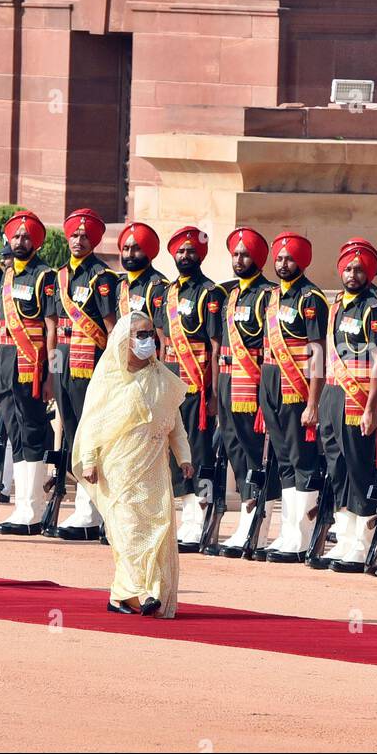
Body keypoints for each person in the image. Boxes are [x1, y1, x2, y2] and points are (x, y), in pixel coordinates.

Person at [74, 312, 193, 617]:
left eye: (150, 334)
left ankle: (131, 594)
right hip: (119, 468)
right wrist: (88, 461)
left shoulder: (162, 377)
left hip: (154, 467)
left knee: (157, 530)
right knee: (128, 530)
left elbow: (174, 423)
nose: (147, 340)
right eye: (140, 335)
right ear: (124, 340)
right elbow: (91, 422)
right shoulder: (109, 378)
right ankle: (136, 592)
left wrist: (185, 458)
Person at [316, 238, 377, 572]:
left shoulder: (375, 307)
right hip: (332, 394)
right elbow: (320, 352)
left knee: (359, 468)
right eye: (347, 268)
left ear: (370, 272)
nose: (352, 274)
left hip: (358, 397)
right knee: (337, 466)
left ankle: (362, 540)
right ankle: (345, 535)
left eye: (358, 269)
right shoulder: (336, 304)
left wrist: (371, 406)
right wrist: (315, 400)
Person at [48, 208, 118, 541]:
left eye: (84, 236)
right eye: (74, 235)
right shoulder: (60, 276)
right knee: (74, 434)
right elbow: (52, 329)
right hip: (63, 364)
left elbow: (111, 330)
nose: (78, 240)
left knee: (91, 438)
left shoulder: (101, 278)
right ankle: (83, 507)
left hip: (90, 366)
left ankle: (91, 512)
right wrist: (50, 371)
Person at [258, 232, 329, 564]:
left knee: (301, 459)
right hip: (271, 381)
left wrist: (313, 402)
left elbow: (317, 351)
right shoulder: (272, 297)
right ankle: (287, 533)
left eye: (289, 259)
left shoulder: (310, 298)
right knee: (283, 461)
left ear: (301, 262)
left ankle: (301, 537)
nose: (283, 264)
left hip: (296, 386)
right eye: (280, 258)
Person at [0, 211, 59, 535]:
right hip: (5, 360)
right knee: (15, 433)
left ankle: (33, 509)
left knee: (32, 431)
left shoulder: (45, 276)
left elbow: (52, 329)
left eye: (26, 237)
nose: (20, 242)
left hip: (33, 364)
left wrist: (52, 375)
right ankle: (21, 506)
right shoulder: (6, 277)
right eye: (16, 237)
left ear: (36, 242)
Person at [157, 227, 224, 552]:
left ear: (200, 255)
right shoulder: (167, 293)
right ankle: (180, 518)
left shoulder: (210, 293)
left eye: (190, 252)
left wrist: (212, 394)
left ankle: (198, 519)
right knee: (171, 452)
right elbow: (161, 342)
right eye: (180, 252)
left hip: (197, 386)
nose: (185, 256)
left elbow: (214, 346)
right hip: (169, 381)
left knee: (197, 453)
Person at [214, 227, 279, 558]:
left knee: (255, 455)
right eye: (236, 255)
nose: (239, 260)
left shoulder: (269, 296)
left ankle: (258, 523)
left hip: (250, 382)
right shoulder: (230, 294)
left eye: (245, 255)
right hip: (227, 381)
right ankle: (246, 517)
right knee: (235, 450)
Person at [116, 222, 168, 320]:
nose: (130, 254)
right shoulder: (121, 283)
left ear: (149, 252)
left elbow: (161, 333)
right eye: (126, 248)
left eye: (137, 249)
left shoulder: (157, 287)